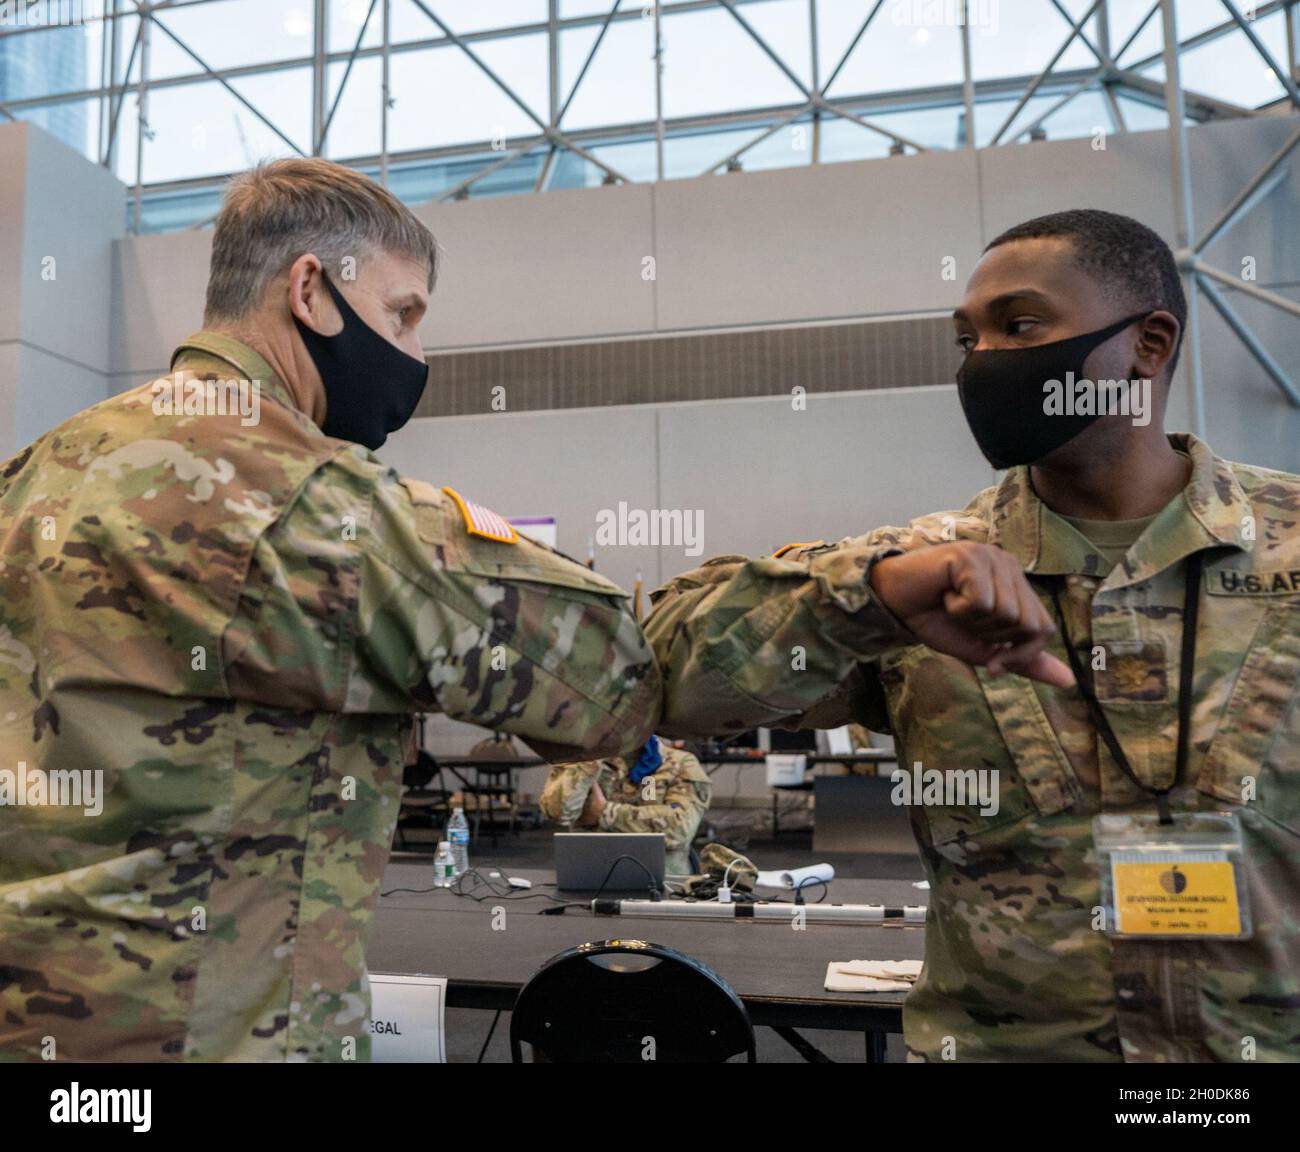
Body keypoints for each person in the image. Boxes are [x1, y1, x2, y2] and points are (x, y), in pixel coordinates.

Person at [0, 158, 660, 1062]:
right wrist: (861, 590)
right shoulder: (310, 500)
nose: (415, 355)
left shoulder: (30, 473)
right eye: (402, 314)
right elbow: (615, 676)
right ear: (311, 289)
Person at [643, 209, 1299, 1062]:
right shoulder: (920, 573)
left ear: (1149, 343)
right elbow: (654, 677)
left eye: (1019, 326)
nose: (984, 360)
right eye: (967, 340)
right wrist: (862, 597)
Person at [539, 736, 711, 875]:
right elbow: (559, 813)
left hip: (665, 881)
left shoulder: (680, 763)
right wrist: (585, 757)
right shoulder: (588, 761)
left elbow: (680, 828)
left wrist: (604, 813)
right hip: (593, 874)